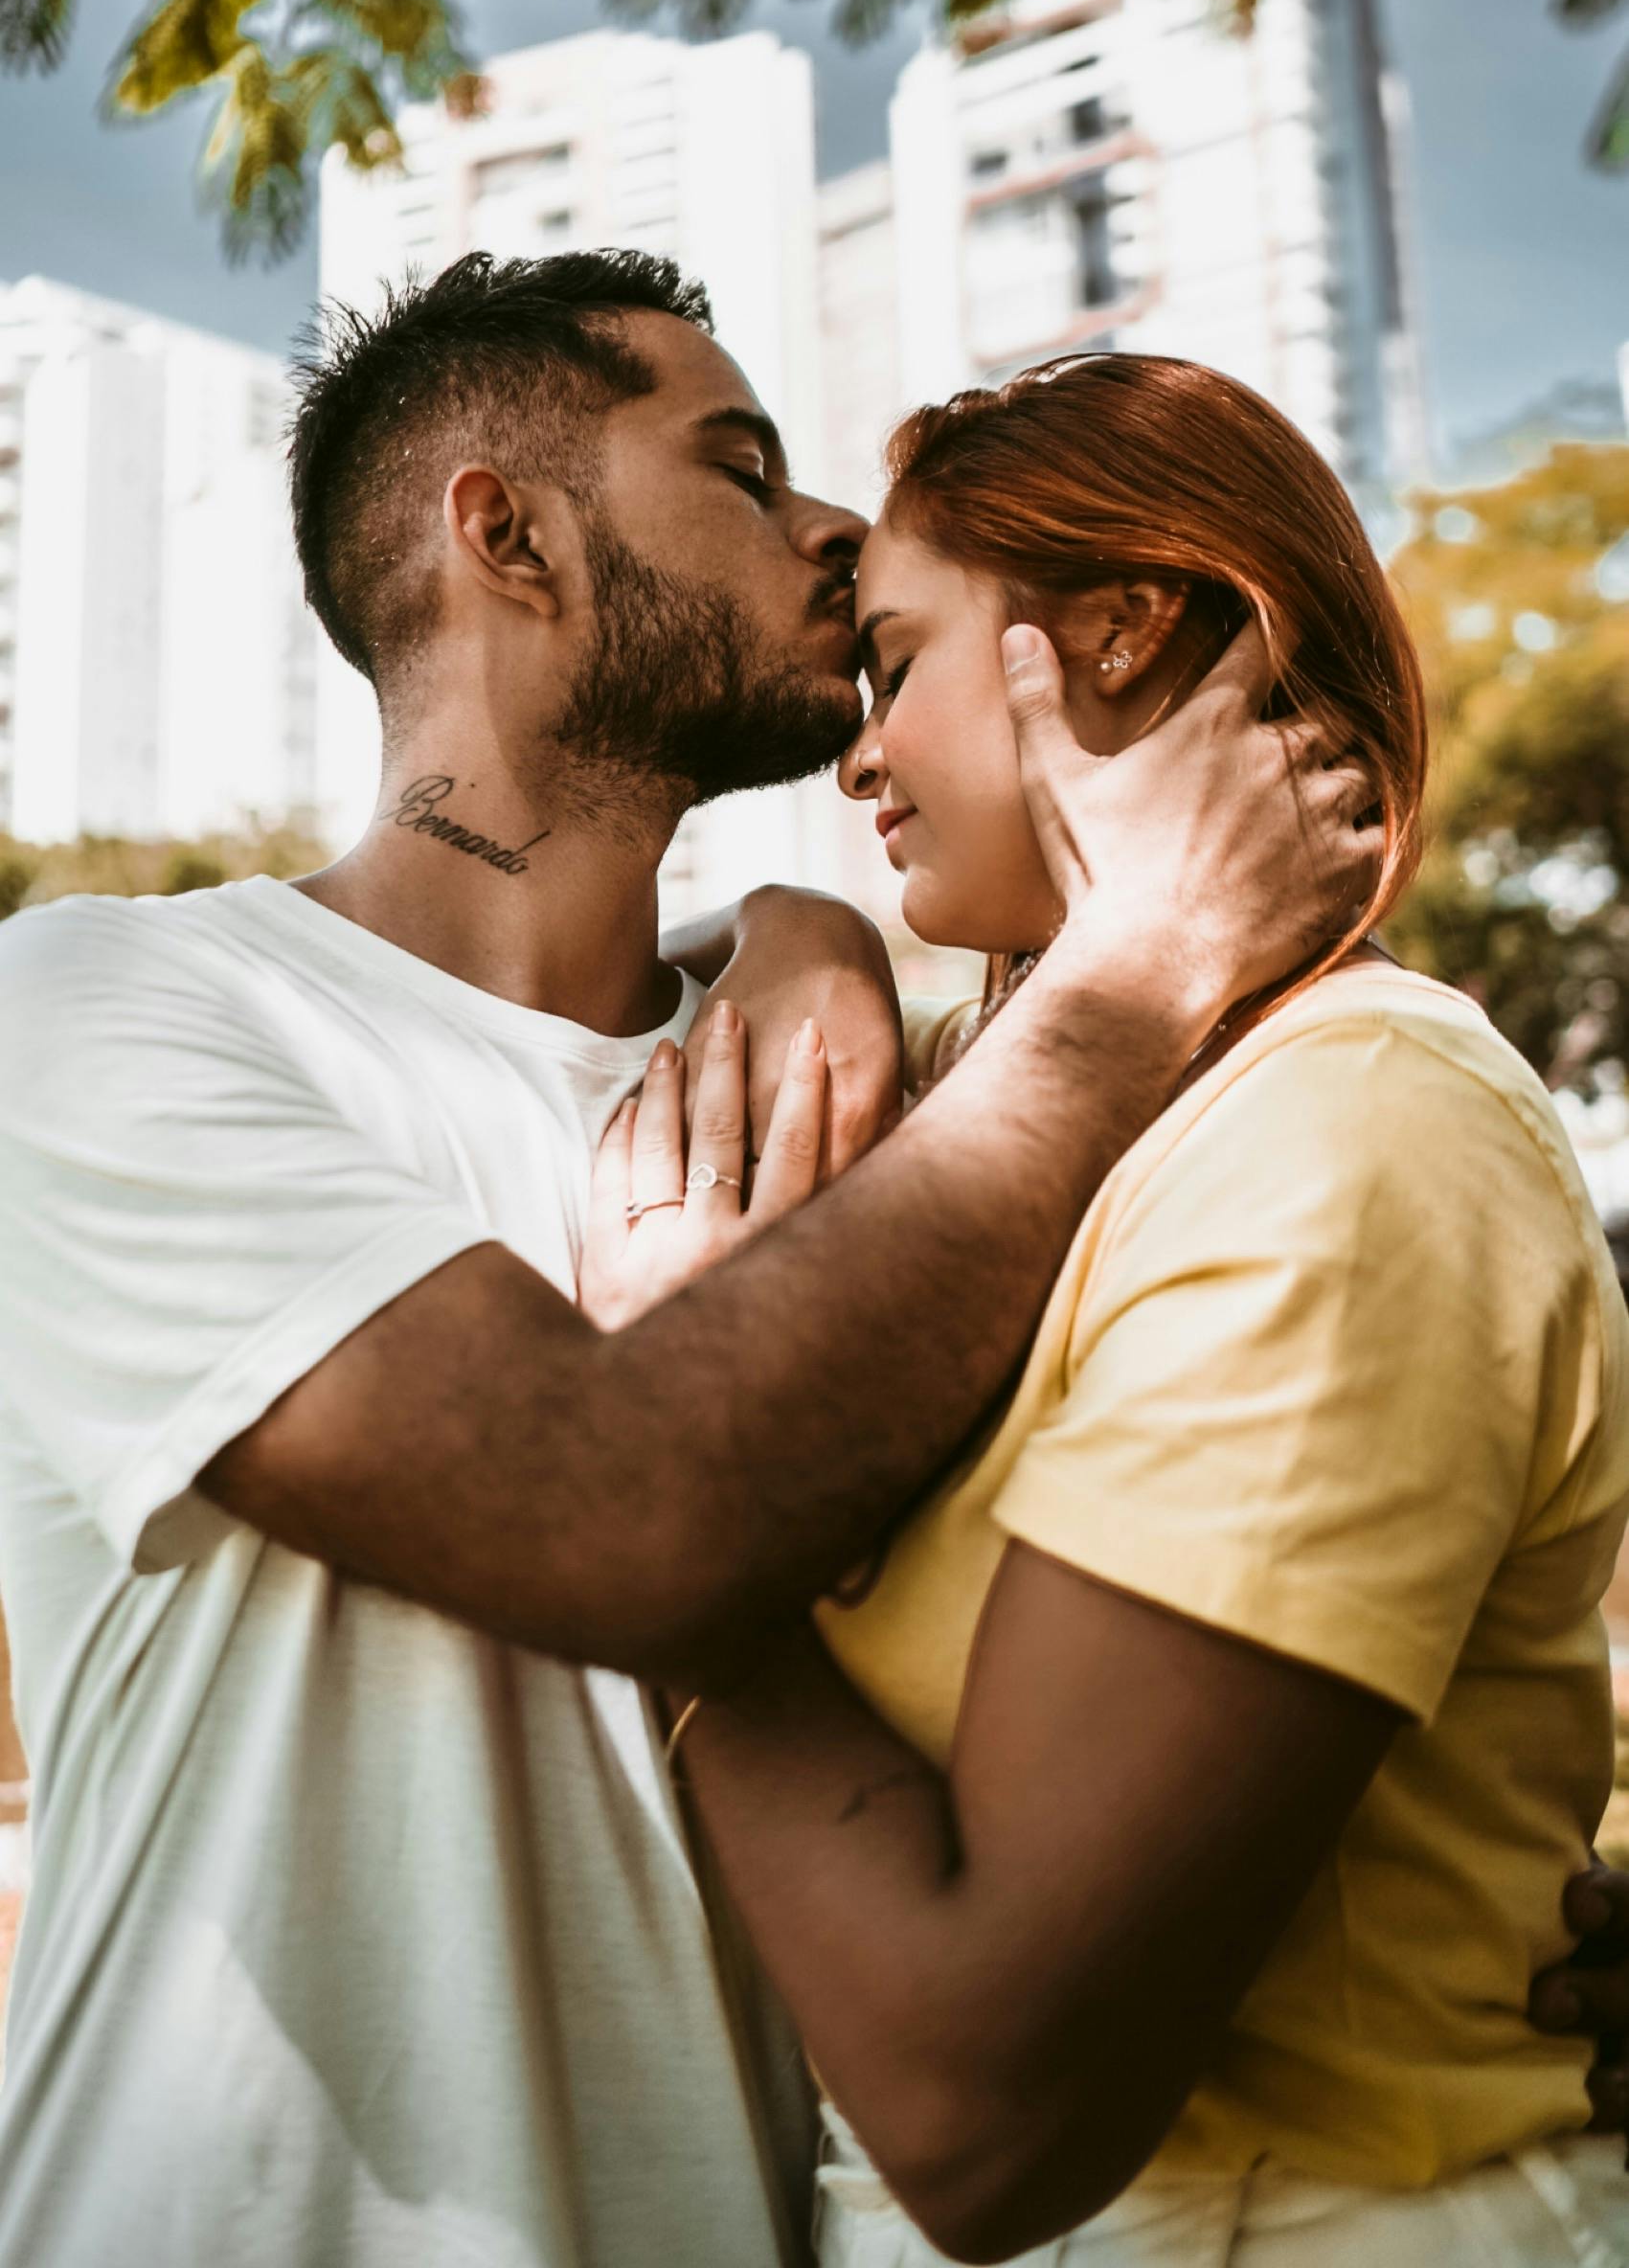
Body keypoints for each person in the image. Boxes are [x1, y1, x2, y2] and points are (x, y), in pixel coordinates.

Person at [0, 255, 1381, 2268]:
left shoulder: (908, 1103)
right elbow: (620, 1515)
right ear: (512, 537)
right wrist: (1135, 973)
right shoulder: (110, 1009)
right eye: (739, 466)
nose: (830, 529)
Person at [592, 351, 1629, 2268]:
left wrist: (693, 1544)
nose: (854, 749)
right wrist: (795, 936)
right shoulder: (1018, 1090)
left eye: (893, 662)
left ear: (1126, 634)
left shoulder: (1352, 1130)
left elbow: (984, 2109)